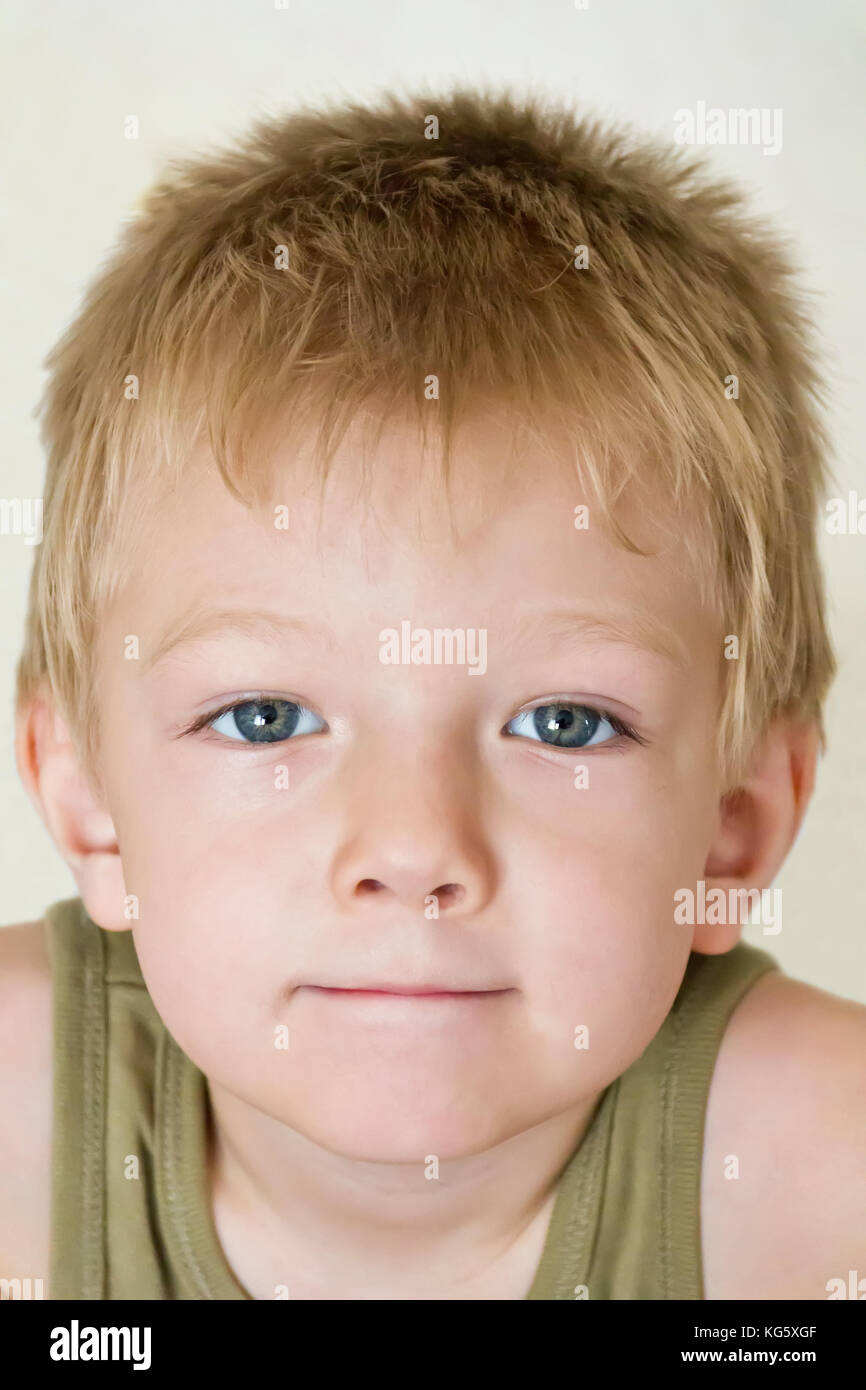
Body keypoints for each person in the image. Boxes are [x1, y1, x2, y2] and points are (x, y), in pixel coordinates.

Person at [3, 86, 864, 1300]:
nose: (411, 851)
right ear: (88, 801)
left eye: (563, 722)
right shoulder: (18, 1111)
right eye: (265, 717)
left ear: (732, 828)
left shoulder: (817, 1175)